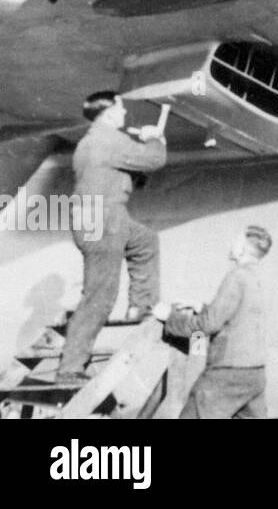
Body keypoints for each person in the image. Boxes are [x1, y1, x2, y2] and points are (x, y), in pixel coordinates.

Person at [56, 91, 167, 384]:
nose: (125, 114)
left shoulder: (90, 142)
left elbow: (126, 175)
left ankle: (140, 305)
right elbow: (154, 160)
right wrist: (155, 138)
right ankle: (70, 368)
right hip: (104, 218)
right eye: (121, 108)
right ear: (107, 113)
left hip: (96, 215)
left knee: (144, 241)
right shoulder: (109, 139)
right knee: (99, 296)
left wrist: (140, 160)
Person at [158, 226, 271, 419]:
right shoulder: (258, 278)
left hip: (227, 374)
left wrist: (170, 317)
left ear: (241, 249)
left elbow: (208, 326)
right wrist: (202, 307)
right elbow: (239, 315)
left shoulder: (236, 276)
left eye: (235, 241)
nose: (231, 244)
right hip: (255, 374)